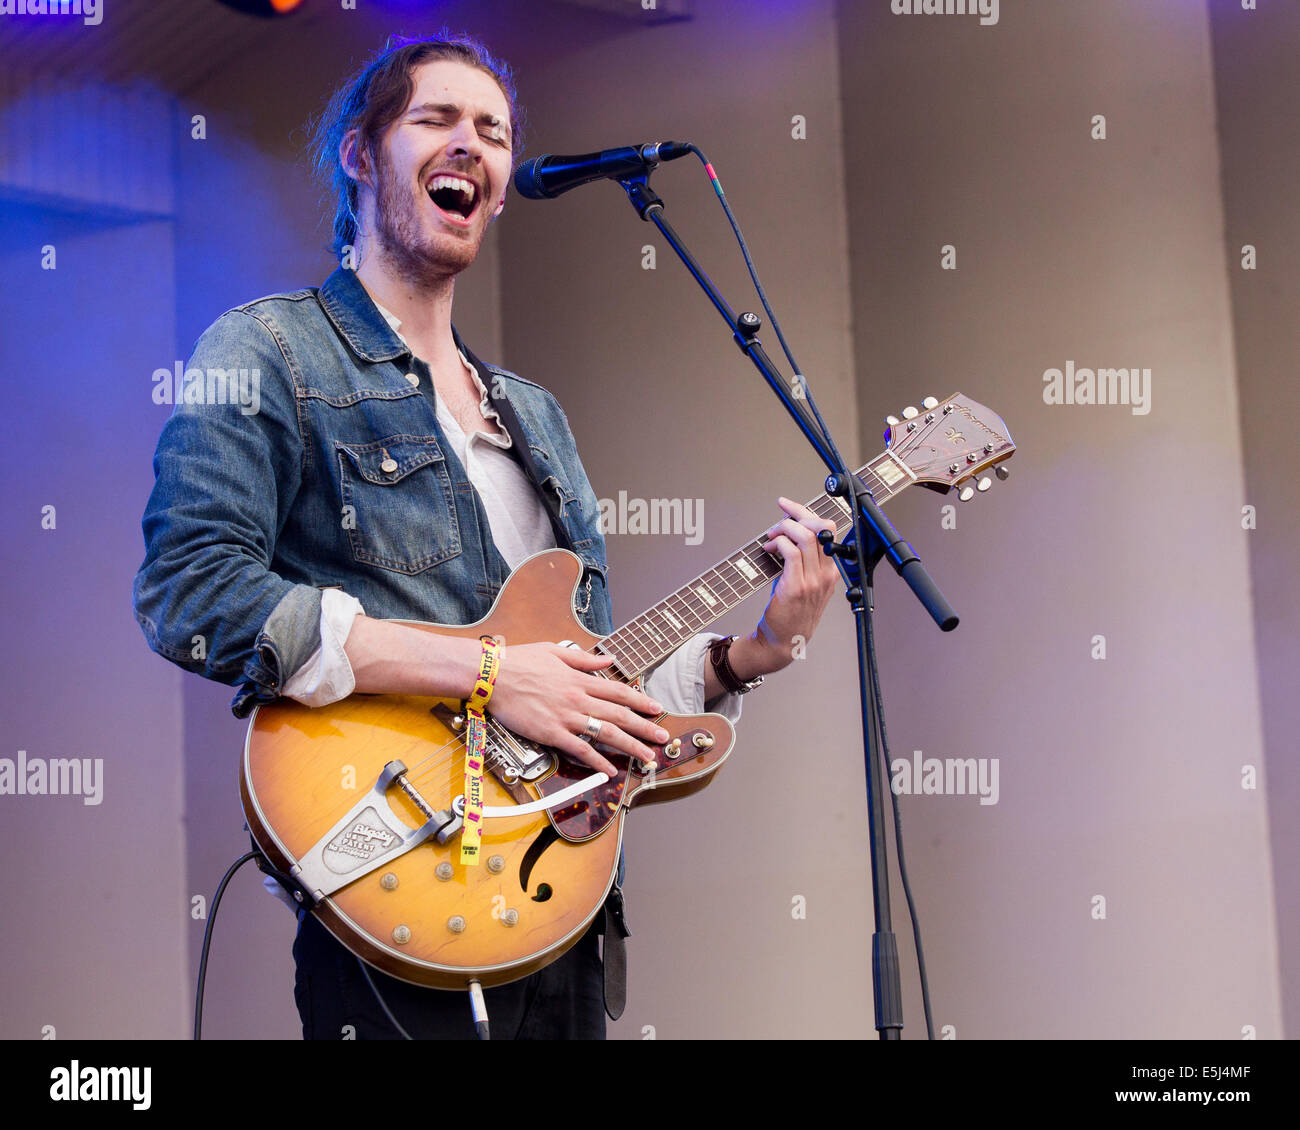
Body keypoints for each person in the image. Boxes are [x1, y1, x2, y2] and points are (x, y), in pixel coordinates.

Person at [133, 33, 839, 1040]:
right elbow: (190, 589)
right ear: (360, 154)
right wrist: (483, 672)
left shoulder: (534, 416)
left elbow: (585, 683)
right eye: (437, 119)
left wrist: (752, 651)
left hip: (559, 902)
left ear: (503, 188)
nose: (471, 144)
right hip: (401, 873)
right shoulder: (266, 348)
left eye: (494, 132)